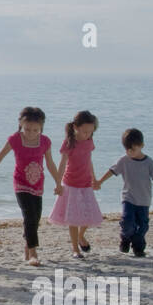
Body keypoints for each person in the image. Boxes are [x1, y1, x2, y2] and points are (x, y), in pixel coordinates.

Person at [0, 106, 61, 266]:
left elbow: (50, 163)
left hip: (38, 184)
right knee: (29, 216)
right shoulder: (15, 139)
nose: (30, 133)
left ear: (41, 127)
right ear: (20, 125)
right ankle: (33, 253)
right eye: (27, 129)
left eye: (35, 130)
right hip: (21, 184)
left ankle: (27, 246)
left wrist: (58, 183)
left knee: (35, 219)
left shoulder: (45, 141)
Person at [94, 127, 153, 257]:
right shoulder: (124, 160)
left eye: (133, 149)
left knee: (142, 226)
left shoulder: (149, 162)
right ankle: (125, 239)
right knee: (127, 221)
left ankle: (138, 248)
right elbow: (112, 171)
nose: (129, 152)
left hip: (144, 200)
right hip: (128, 198)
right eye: (127, 149)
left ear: (141, 146)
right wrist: (100, 181)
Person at [47, 110, 103, 258]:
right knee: (73, 219)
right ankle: (75, 249)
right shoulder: (69, 143)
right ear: (75, 127)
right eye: (84, 131)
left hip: (86, 184)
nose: (87, 134)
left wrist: (94, 179)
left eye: (90, 132)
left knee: (89, 215)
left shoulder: (89, 141)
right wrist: (58, 184)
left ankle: (81, 236)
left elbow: (89, 161)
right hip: (71, 184)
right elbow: (62, 164)